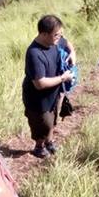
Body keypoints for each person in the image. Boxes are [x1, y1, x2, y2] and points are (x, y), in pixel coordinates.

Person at [23, 14, 74, 158]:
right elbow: (40, 83)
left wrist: (72, 55)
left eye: (60, 34)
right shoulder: (34, 53)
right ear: (44, 34)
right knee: (42, 123)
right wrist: (63, 78)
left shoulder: (55, 41)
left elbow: (68, 44)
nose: (59, 37)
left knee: (52, 119)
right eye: (56, 35)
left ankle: (49, 142)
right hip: (37, 98)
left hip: (54, 93)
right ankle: (39, 146)